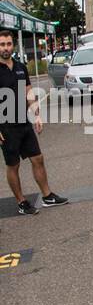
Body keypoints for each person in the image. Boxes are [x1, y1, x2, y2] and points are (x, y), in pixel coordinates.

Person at [0, 29, 67, 214]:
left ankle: (47, 196)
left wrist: (36, 115)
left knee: (38, 158)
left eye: (8, 44)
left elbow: (28, 93)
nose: (5, 48)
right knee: (13, 164)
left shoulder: (20, 67)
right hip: (5, 126)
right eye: (2, 45)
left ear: (13, 45)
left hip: (23, 122)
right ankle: (22, 203)